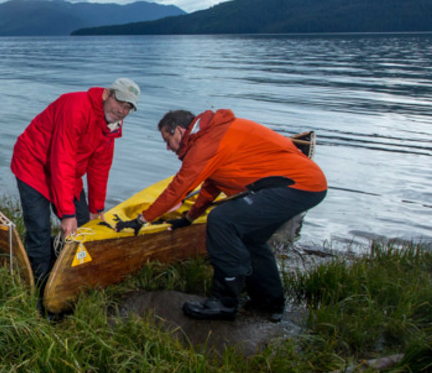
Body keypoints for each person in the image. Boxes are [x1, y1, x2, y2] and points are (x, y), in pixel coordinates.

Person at [117, 109, 326, 321]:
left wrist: (142, 219)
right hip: (306, 184)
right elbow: (211, 184)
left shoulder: (205, 143)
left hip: (296, 185)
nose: (167, 147)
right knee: (251, 238)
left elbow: (177, 188)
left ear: (179, 131)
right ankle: (269, 303)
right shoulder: (211, 134)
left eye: (167, 139)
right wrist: (189, 217)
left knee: (221, 220)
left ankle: (224, 303)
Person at [11, 78, 141, 285]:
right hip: (33, 164)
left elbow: (100, 167)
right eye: (120, 102)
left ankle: (61, 270)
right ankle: (38, 292)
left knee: (84, 225)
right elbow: (61, 159)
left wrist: (96, 208)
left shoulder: (112, 125)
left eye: (128, 108)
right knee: (40, 229)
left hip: (66, 172)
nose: (121, 111)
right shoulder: (77, 108)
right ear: (107, 94)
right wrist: (66, 213)